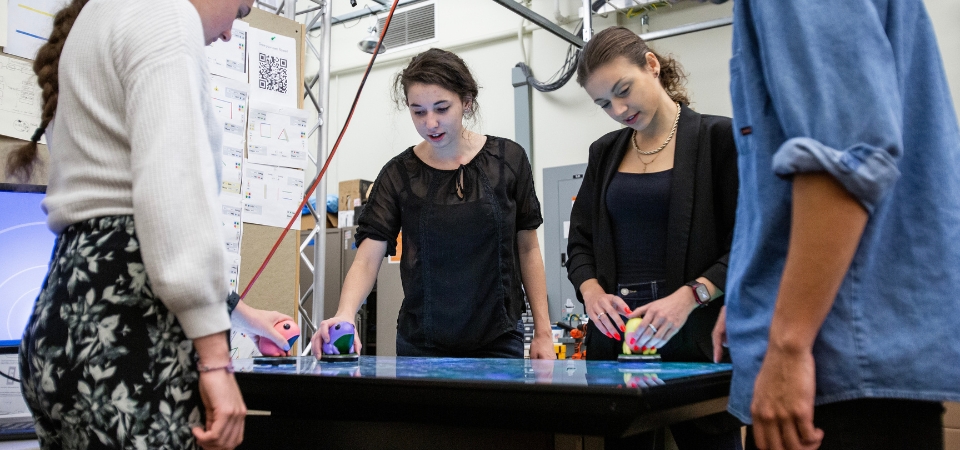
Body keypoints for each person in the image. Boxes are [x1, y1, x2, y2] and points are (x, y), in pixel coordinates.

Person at [7, 0, 295, 448]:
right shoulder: (164, 13)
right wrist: (216, 361)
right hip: (126, 333)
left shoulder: (104, 14)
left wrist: (242, 316)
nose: (227, 35)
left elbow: (137, 226)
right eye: (239, 12)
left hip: (64, 320)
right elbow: (171, 196)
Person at [717, 1, 960, 449]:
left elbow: (846, 159)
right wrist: (747, 294)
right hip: (857, 352)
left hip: (834, 366)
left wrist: (788, 344)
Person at [310, 48, 555, 359]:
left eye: (441, 108)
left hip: (498, 339)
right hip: (422, 344)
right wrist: (345, 313)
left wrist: (544, 331)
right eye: (418, 111)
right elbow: (366, 258)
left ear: (466, 101)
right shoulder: (398, 175)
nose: (431, 123)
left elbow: (529, 249)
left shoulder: (509, 160)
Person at [567, 27, 740, 449]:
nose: (618, 109)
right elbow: (580, 244)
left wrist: (689, 296)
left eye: (624, 90)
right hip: (618, 349)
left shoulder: (720, 139)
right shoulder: (604, 153)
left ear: (652, 65)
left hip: (697, 344)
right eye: (603, 103)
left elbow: (748, 243)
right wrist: (591, 293)